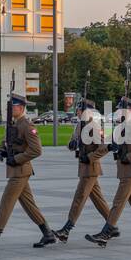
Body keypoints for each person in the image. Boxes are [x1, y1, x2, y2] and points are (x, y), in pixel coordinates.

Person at [0, 92, 56, 250]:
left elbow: (37, 150)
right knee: (29, 205)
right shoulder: (13, 124)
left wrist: (17, 159)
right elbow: (7, 140)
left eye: (13, 107)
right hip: (16, 171)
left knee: (6, 202)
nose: (10, 110)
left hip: (20, 171)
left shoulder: (27, 125)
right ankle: (48, 234)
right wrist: (1, 150)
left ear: (21, 108)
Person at [86, 96, 131, 246]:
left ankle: (106, 233)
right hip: (123, 171)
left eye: (120, 109)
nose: (117, 112)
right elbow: (107, 145)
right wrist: (91, 157)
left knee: (118, 202)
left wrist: (130, 157)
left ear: (129, 111)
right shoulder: (119, 128)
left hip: (130, 171)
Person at [53, 99, 114, 243]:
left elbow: (104, 147)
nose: (77, 112)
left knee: (79, 198)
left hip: (91, 168)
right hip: (83, 167)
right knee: (98, 200)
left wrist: (90, 157)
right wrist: (71, 144)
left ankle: (66, 229)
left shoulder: (93, 126)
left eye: (80, 110)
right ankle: (113, 226)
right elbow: (72, 142)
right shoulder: (79, 126)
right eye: (78, 110)